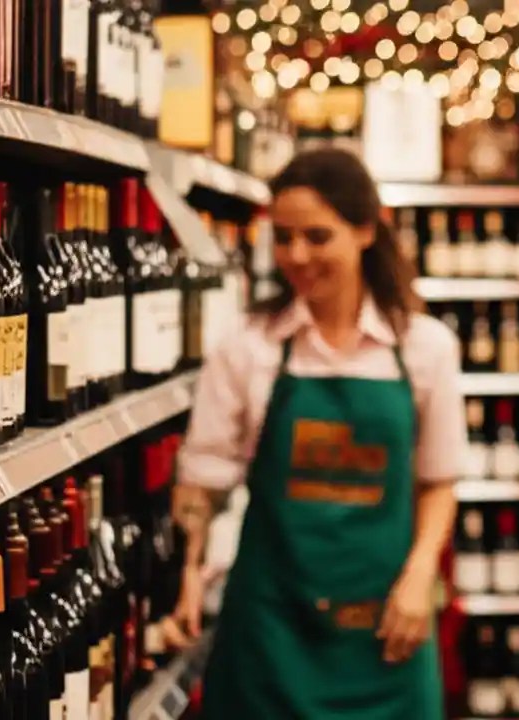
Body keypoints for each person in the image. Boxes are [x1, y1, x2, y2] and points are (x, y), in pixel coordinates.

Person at [170, 148, 464, 719]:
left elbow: (439, 480)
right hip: (271, 632)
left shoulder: (425, 349)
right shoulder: (250, 346)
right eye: (283, 237)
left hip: (385, 628)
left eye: (317, 236)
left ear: (365, 230)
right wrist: (188, 572)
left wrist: (420, 576)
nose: (296, 256)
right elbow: (202, 477)